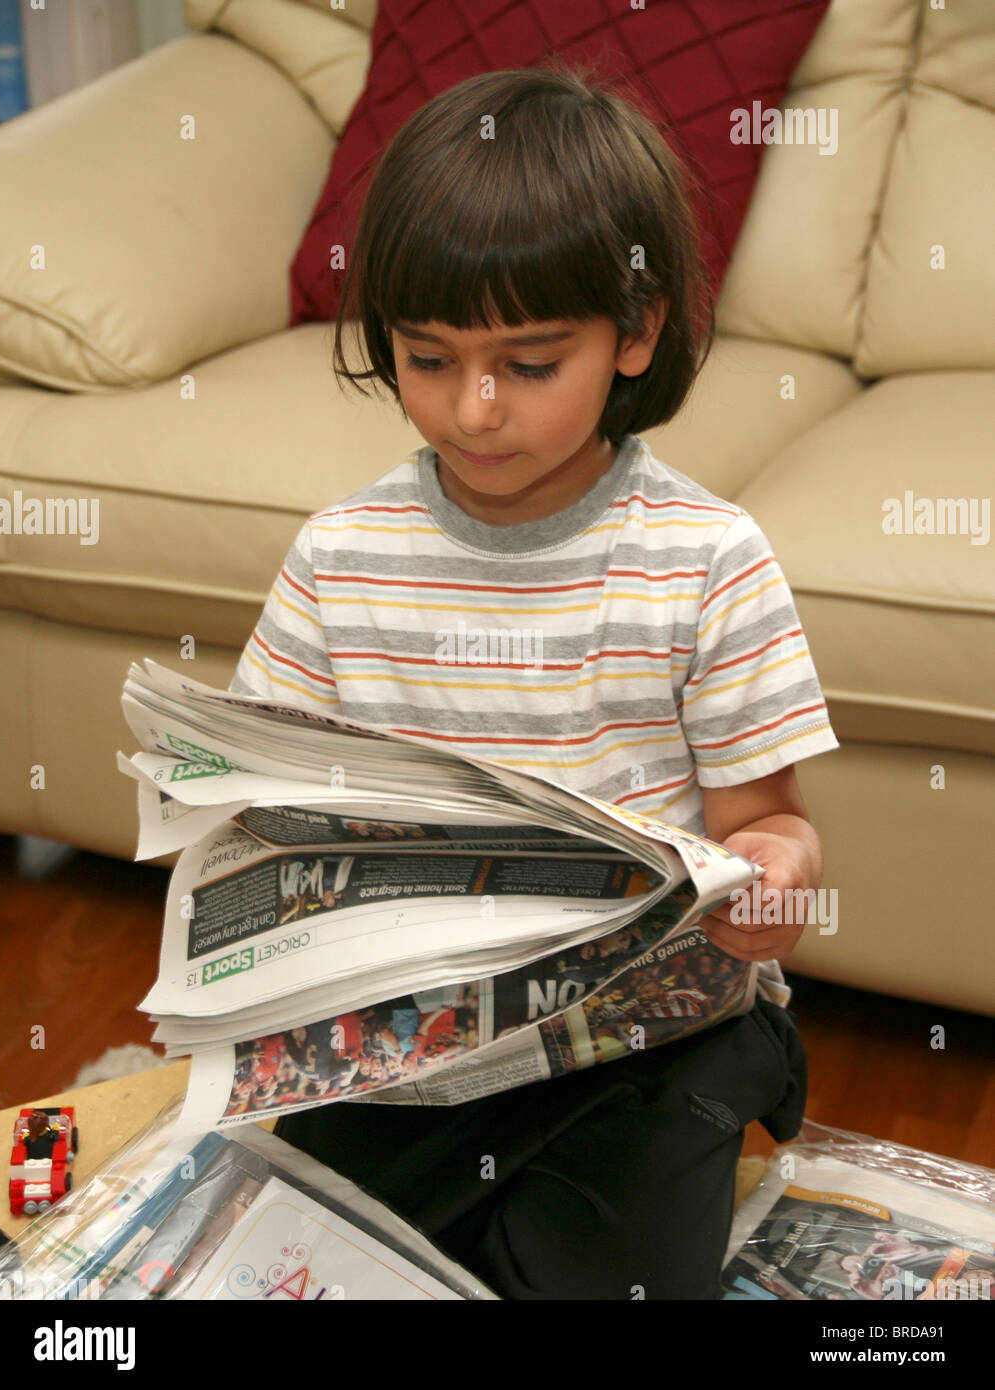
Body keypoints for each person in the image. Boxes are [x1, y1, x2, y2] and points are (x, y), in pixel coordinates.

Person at [228, 62, 838, 1299]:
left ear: (638, 332)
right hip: (418, 1043)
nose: (475, 406)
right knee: (306, 1255)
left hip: (650, 1035)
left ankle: (737, 1089)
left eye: (530, 361)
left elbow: (768, 825)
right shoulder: (343, 554)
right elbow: (260, 800)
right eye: (429, 356)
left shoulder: (704, 558)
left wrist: (772, 884)